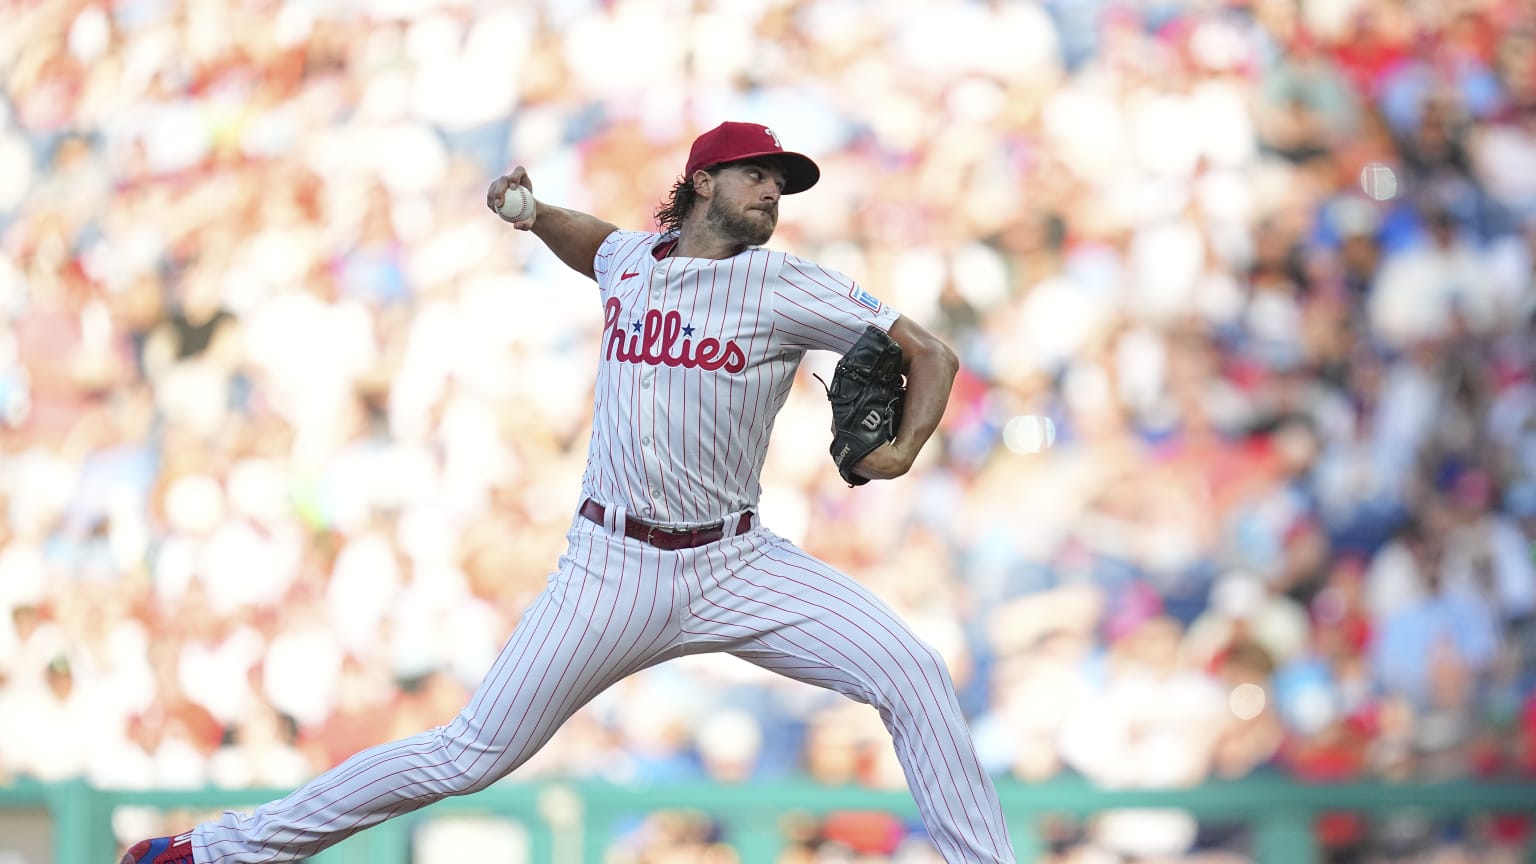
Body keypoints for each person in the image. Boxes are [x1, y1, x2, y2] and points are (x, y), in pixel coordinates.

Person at [121, 121, 1016, 864]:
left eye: (781, 184)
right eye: (757, 176)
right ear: (702, 182)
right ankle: (215, 853)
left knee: (912, 669)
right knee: (466, 755)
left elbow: (930, 352)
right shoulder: (632, 260)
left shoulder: (785, 284)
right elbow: (596, 245)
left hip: (737, 562)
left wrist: (901, 450)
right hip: (611, 566)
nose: (773, 193)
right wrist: (534, 213)